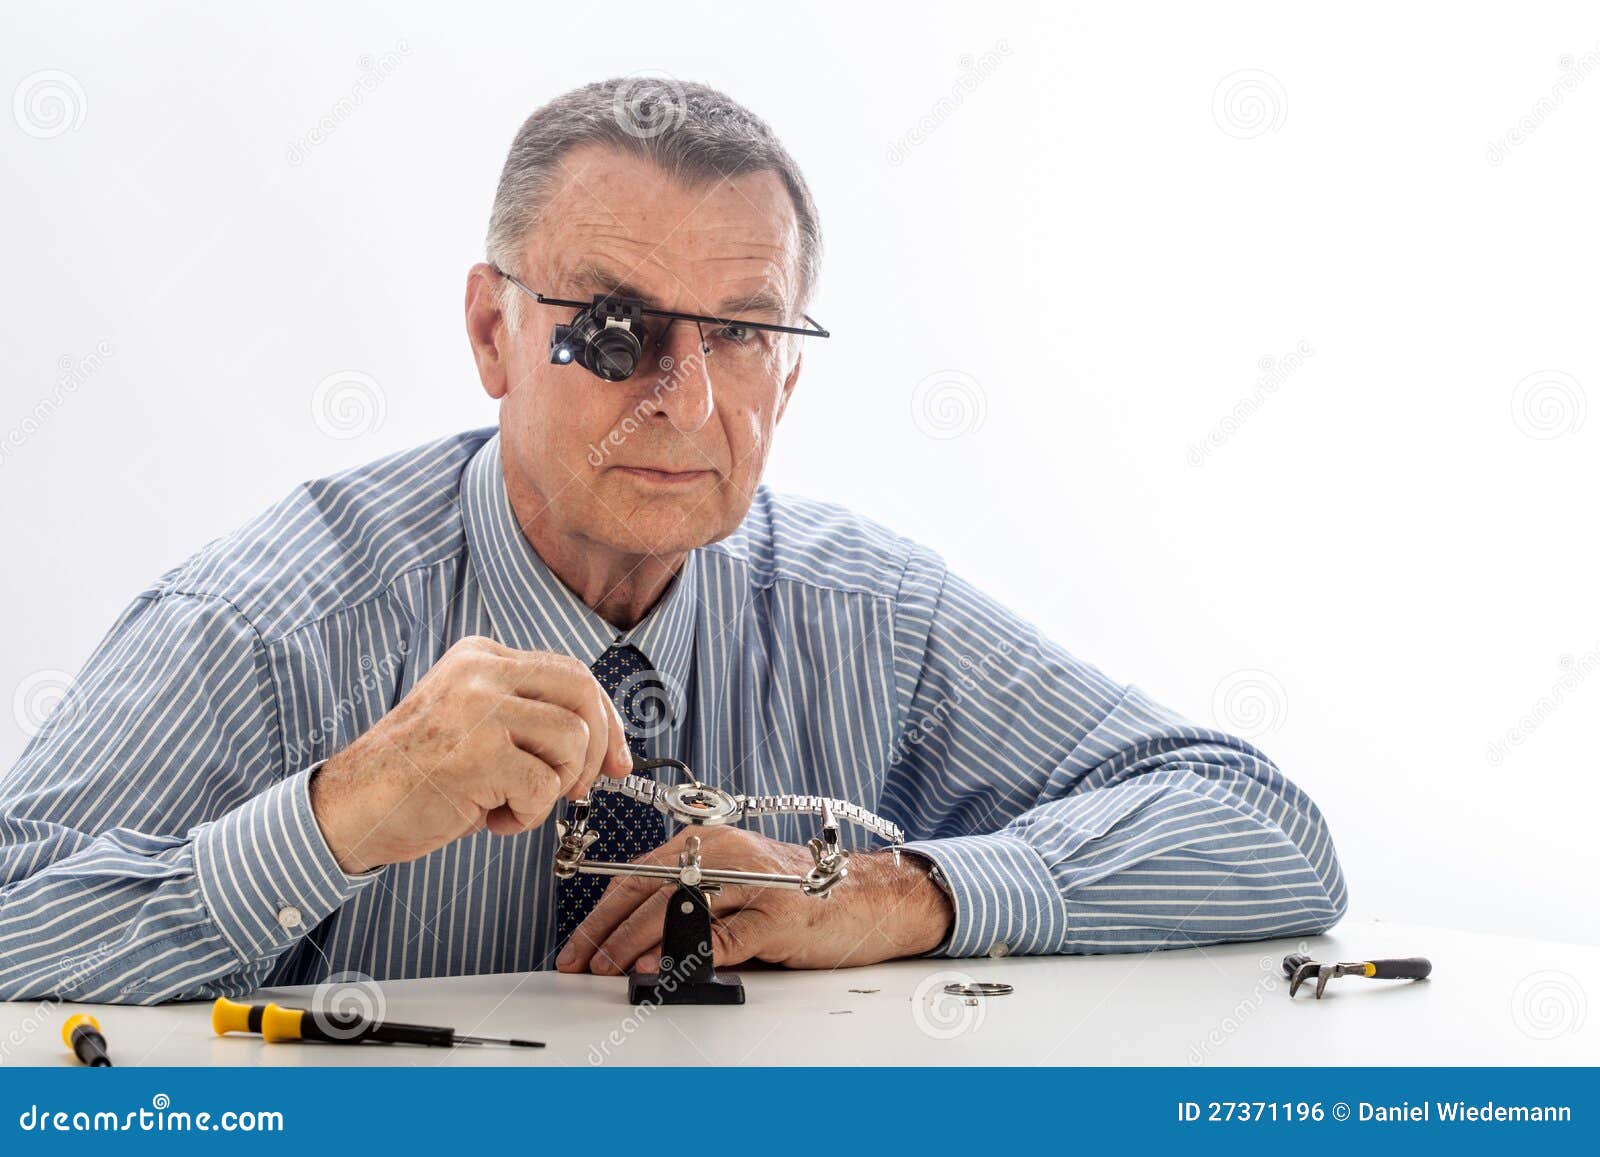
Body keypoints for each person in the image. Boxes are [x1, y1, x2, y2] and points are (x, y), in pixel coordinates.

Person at [0, 78, 1346, 1004]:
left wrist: (900, 892)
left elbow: (1267, 828)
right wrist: (337, 814)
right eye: (615, 330)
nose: (685, 401)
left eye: (743, 336)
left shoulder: (873, 611)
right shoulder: (270, 622)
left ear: (790, 374)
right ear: (492, 333)